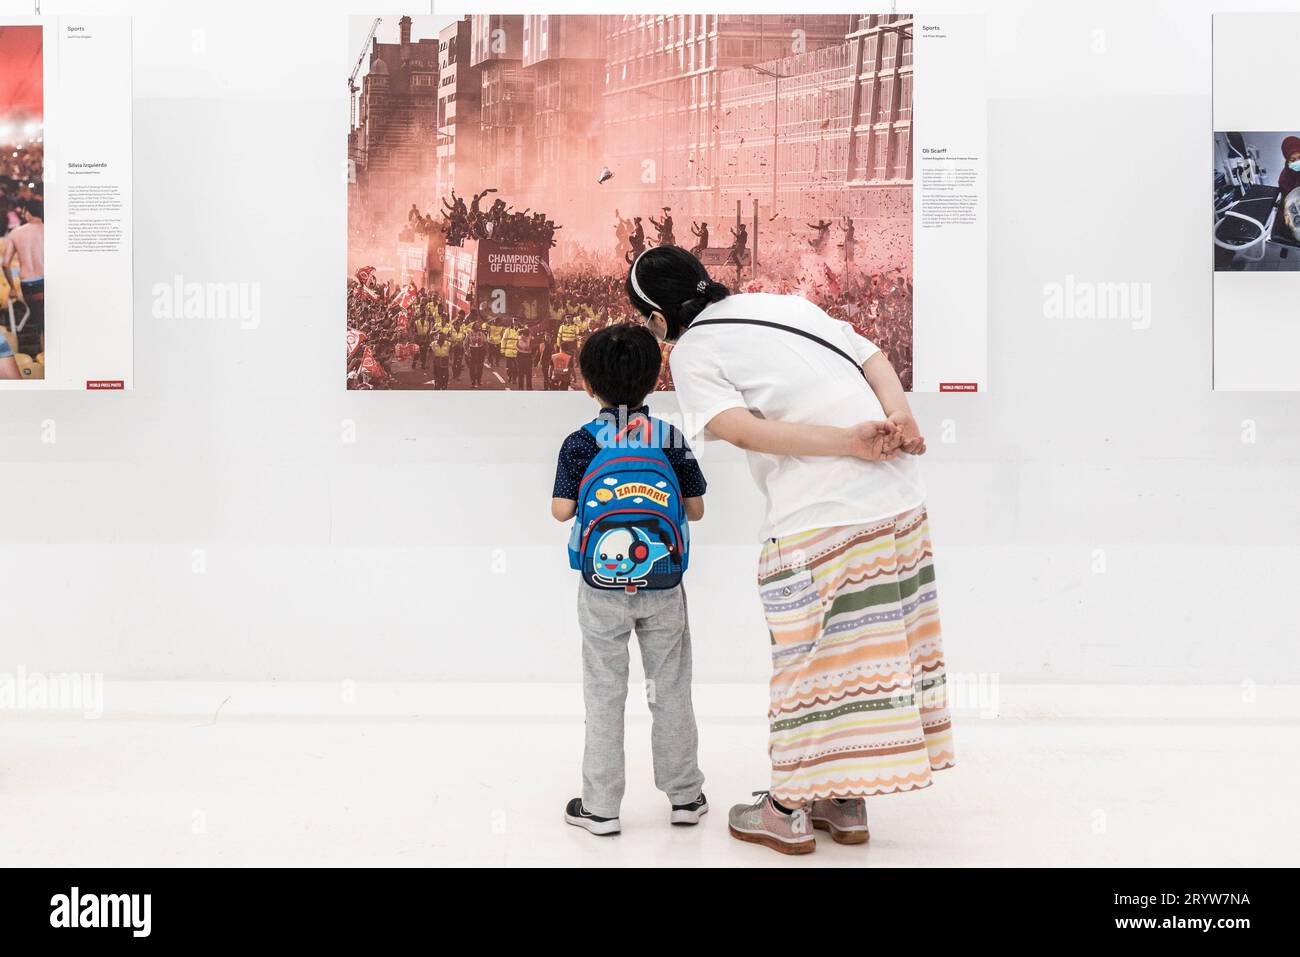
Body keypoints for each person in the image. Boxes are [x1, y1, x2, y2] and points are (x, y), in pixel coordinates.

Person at [624, 245, 954, 856]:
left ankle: (786, 811)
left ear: (659, 318)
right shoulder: (780, 303)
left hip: (819, 518)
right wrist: (900, 417)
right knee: (860, 660)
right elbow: (872, 357)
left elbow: (739, 430)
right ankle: (844, 801)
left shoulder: (693, 349)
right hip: (899, 503)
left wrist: (848, 442)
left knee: (806, 663)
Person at [551, 324, 709, 836]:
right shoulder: (670, 438)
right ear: (655, 380)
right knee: (671, 690)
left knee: (603, 692)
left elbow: (561, 511)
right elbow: (695, 510)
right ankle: (685, 797)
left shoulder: (581, 443)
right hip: (663, 584)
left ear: (587, 384)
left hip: (601, 589)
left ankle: (600, 807)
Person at [465, 322, 486, 389]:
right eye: (476, 326)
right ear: (473, 327)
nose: (478, 327)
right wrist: (467, 352)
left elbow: (485, 342)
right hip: (472, 350)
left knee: (480, 366)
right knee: (472, 367)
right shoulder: (469, 334)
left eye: (478, 326)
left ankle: (479, 380)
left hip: (480, 350)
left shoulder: (481, 334)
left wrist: (485, 351)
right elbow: (465, 343)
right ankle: (473, 381)